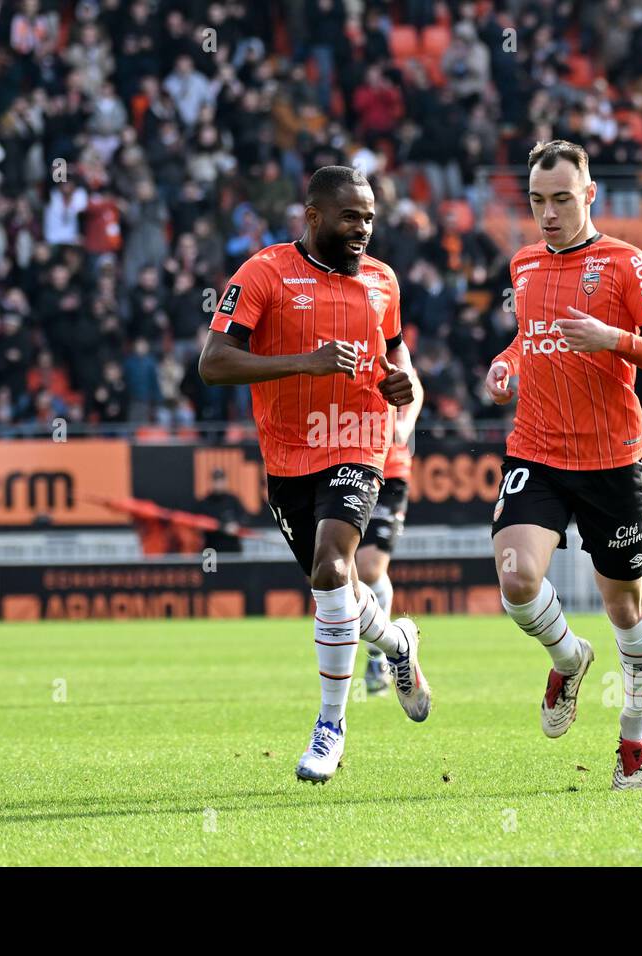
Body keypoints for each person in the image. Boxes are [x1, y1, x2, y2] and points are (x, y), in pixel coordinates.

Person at [199, 166, 432, 784]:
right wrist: (307, 363)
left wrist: (403, 381)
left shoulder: (383, 281)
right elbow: (214, 364)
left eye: (370, 218)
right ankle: (398, 645)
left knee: (334, 566)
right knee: (341, 595)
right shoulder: (264, 273)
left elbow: (398, 359)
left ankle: (330, 726)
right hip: (287, 456)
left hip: (357, 439)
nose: (363, 229)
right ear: (314, 216)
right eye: (351, 217)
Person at [484, 140, 642, 791]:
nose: (547, 213)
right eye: (538, 200)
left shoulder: (627, 265)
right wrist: (507, 364)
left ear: (590, 194)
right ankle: (568, 658)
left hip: (611, 461)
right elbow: (528, 336)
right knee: (516, 579)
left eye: (561, 200)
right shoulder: (522, 265)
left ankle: (635, 734)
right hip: (537, 451)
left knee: (625, 609)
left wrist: (612, 340)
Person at [356, 368, 424, 695]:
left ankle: (378, 654)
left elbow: (415, 384)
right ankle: (383, 648)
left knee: (369, 567)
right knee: (340, 569)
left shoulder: (383, 340)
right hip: (345, 462)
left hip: (390, 471)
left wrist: (405, 424)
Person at [196, 468, 246, 553]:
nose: (218, 484)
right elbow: (200, 524)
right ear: (211, 482)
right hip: (211, 550)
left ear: (225, 481)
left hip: (232, 549)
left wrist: (236, 525)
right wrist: (221, 527)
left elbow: (245, 518)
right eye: (216, 481)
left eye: (221, 480)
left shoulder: (233, 500)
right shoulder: (204, 503)